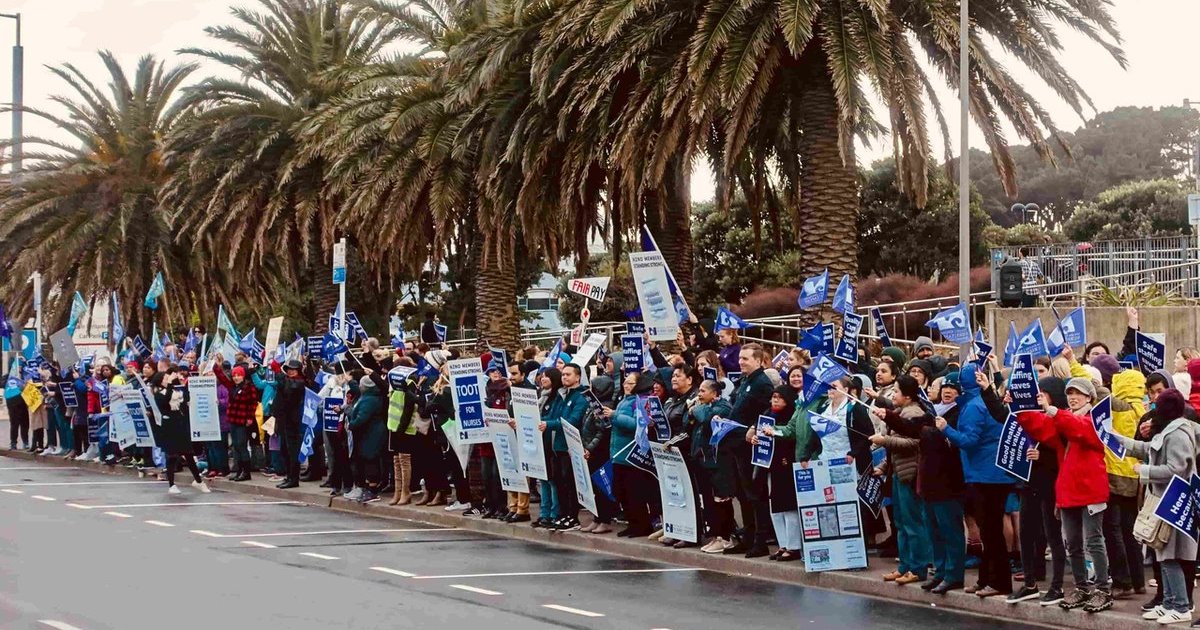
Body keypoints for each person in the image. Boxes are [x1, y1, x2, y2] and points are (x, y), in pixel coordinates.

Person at [1013, 377, 1113, 613]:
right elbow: (1039, 426)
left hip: (1091, 490)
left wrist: (1055, 412)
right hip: (1068, 489)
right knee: (1074, 544)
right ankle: (1081, 587)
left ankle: (1102, 590)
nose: (1073, 397)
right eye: (1070, 393)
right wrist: (1020, 407)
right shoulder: (1062, 418)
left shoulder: (1096, 419)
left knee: (1094, 541)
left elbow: (1081, 430)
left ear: (1090, 397)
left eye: (1078, 393)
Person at [1116, 389, 1198, 625]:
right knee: (1163, 554)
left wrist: (1144, 471)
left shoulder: (1178, 435)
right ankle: (1170, 603)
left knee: (1170, 556)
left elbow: (1175, 468)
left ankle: (1181, 605)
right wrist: (1118, 441)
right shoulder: (1170, 430)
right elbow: (1148, 449)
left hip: (1173, 503)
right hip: (1165, 501)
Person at [941, 363, 1013, 598]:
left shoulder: (974, 406)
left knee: (991, 531)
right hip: (989, 473)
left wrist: (946, 430)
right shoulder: (981, 402)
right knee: (987, 530)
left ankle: (999, 582)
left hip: (985, 475)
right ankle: (985, 580)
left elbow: (970, 440)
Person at [1007, 377, 1068, 607]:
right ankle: (1030, 584)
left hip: (1051, 485)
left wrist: (1042, 457)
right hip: (1030, 483)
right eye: (1038, 392)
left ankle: (1057, 586)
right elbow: (1022, 422)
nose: (1039, 395)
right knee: (1026, 533)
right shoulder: (1038, 416)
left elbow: (1055, 445)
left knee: (1053, 536)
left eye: (1044, 392)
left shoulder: (1060, 417)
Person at [870, 375, 933, 586]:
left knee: (913, 523)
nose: (893, 395)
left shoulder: (913, 413)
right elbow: (896, 450)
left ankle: (918, 567)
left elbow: (914, 442)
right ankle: (905, 565)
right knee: (901, 522)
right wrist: (884, 467)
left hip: (910, 474)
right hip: (898, 472)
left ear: (907, 395)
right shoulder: (900, 412)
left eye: (896, 392)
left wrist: (885, 440)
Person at [715, 343, 773, 556]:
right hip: (737, 445)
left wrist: (754, 428)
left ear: (758, 361)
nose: (741, 362)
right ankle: (748, 537)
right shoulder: (744, 381)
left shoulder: (762, 383)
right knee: (743, 494)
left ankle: (761, 539)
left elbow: (769, 410)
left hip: (752, 446)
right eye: (740, 358)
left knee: (755, 494)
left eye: (746, 359)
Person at [685, 379, 732, 553]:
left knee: (721, 500)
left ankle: (725, 538)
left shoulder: (723, 407)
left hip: (717, 461)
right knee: (709, 501)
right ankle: (715, 535)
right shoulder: (705, 406)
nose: (699, 394)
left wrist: (695, 409)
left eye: (703, 391)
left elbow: (706, 418)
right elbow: (687, 422)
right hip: (701, 459)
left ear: (714, 393)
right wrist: (691, 412)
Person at [541, 363, 588, 531]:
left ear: (577, 377)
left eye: (568, 374)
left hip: (571, 447)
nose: (565, 377)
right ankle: (563, 514)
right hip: (558, 445)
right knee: (560, 482)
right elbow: (553, 415)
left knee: (570, 483)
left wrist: (548, 424)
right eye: (563, 374)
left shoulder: (580, 397)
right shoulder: (563, 395)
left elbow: (572, 421)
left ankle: (572, 517)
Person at [610, 372, 656, 537]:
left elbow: (637, 424)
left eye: (630, 383)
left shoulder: (641, 402)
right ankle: (632, 523)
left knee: (634, 492)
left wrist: (615, 415)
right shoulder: (624, 400)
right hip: (618, 453)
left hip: (631, 455)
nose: (626, 385)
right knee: (621, 492)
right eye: (625, 382)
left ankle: (642, 524)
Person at [152, 368, 210, 494]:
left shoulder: (176, 390)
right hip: (169, 426)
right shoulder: (159, 394)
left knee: (189, 453)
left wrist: (181, 386)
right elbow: (165, 403)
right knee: (171, 456)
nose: (168, 380)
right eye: (165, 379)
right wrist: (169, 385)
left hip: (181, 424)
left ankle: (198, 481)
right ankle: (171, 484)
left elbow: (186, 399)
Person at [348, 375, 386, 503]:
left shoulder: (370, 400)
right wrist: (350, 381)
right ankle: (367, 487)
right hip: (367, 434)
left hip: (372, 433)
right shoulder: (368, 396)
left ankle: (372, 489)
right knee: (366, 459)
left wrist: (351, 424)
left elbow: (362, 417)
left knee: (371, 459)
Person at [272, 358, 307, 489]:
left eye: (293, 369)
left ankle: (294, 478)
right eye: (289, 369)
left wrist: (278, 371)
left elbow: (288, 389)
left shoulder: (299, 382)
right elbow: (281, 386)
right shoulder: (287, 380)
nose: (291, 372)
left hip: (293, 421)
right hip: (283, 419)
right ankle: (288, 476)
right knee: (284, 450)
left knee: (292, 451)